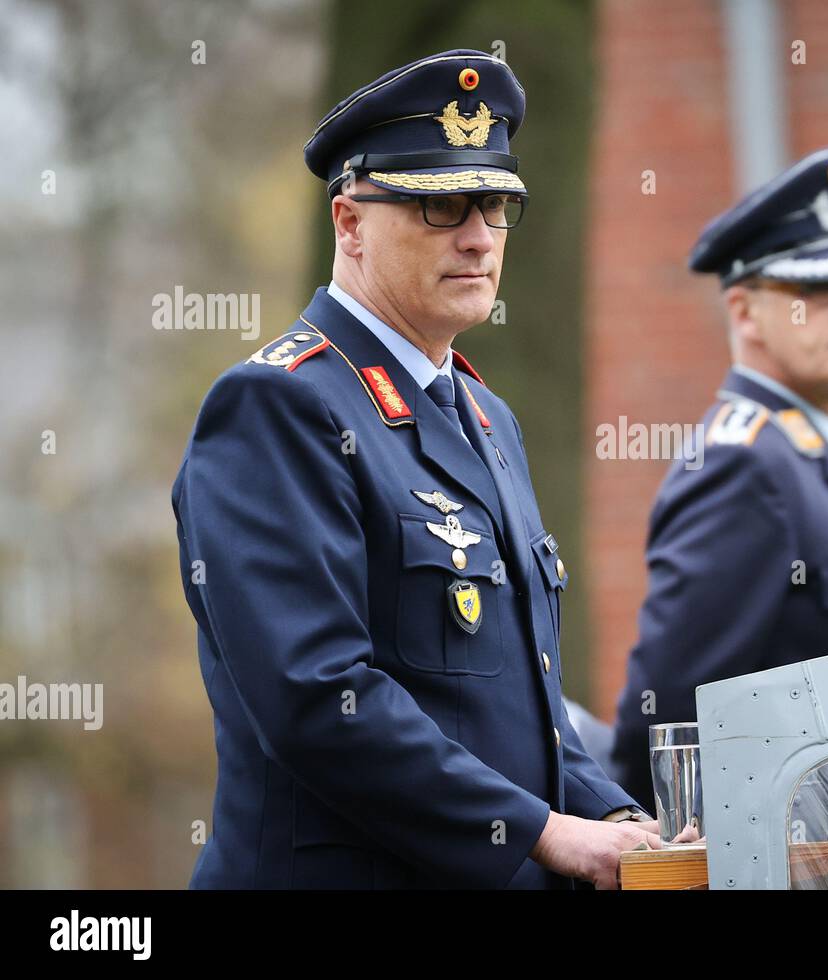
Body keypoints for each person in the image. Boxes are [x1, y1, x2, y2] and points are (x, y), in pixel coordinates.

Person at [173, 50, 658, 890]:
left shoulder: (482, 414)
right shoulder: (278, 407)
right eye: (439, 205)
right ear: (350, 223)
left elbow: (524, 703)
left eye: (497, 205)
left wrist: (608, 813)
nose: (478, 236)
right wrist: (545, 833)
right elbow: (318, 699)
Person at [610, 148, 828, 811]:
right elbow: (670, 719)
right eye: (818, 291)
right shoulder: (745, 466)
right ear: (746, 312)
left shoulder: (823, 461)